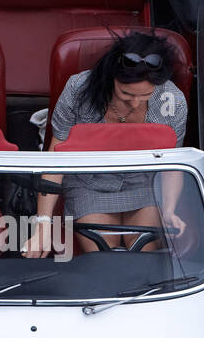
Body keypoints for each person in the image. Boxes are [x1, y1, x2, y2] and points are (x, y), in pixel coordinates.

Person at [22, 31, 188, 258]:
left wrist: (169, 210)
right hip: (89, 181)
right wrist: (43, 223)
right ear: (111, 77)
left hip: (144, 183)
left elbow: (172, 164)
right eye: (126, 94)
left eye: (146, 95)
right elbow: (56, 157)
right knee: (104, 256)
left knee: (141, 255)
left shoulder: (174, 101)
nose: (135, 102)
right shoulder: (77, 90)